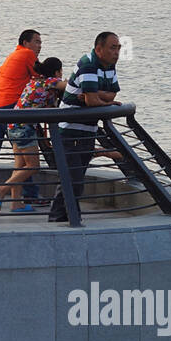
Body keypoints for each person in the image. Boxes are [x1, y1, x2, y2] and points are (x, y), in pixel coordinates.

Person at [48, 32, 123, 223]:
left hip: (87, 130)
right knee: (74, 180)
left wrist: (96, 96)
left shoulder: (109, 66)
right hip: (70, 130)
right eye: (112, 47)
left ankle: (58, 219)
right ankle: (72, 219)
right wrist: (98, 99)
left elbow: (111, 95)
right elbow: (93, 102)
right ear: (99, 49)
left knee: (73, 178)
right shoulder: (89, 64)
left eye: (119, 48)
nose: (117, 52)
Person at [0, 29, 43, 208]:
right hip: (11, 110)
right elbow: (41, 78)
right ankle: (31, 195)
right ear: (25, 42)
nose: (39, 46)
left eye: (40, 43)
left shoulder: (11, 57)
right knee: (23, 156)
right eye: (36, 42)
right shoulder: (27, 55)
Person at [0, 58, 65, 213]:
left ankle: (16, 203)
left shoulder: (34, 82)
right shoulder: (50, 82)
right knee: (33, 166)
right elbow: (71, 88)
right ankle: (2, 188)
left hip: (13, 124)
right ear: (56, 72)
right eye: (61, 71)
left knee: (19, 166)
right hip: (25, 128)